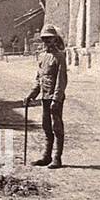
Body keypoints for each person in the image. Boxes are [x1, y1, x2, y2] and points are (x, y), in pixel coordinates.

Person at [24, 24, 67, 169]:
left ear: (55, 40)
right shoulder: (42, 56)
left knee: (57, 127)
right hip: (44, 97)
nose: (47, 42)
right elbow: (39, 78)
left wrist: (56, 99)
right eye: (44, 39)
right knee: (46, 126)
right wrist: (31, 94)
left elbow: (61, 80)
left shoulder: (60, 57)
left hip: (55, 98)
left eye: (49, 39)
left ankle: (57, 158)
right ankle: (46, 156)